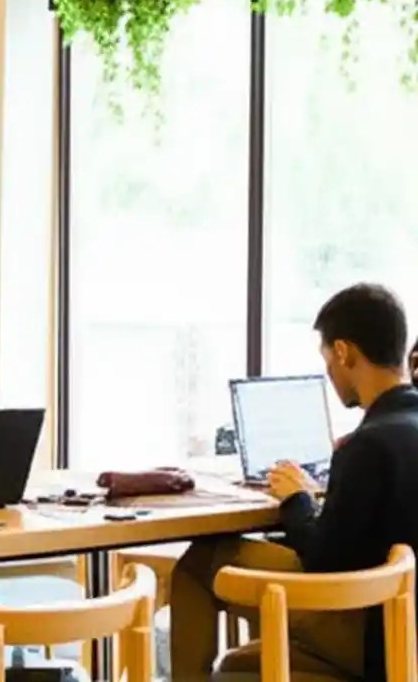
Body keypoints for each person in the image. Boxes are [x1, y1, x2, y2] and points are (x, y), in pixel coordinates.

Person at [171, 282, 418, 681]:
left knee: (200, 562)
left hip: (377, 637)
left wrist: (298, 499)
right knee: (236, 667)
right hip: (404, 625)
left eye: (328, 359)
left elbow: (323, 560)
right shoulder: (401, 427)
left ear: (344, 351)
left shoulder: (369, 445)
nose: (330, 373)